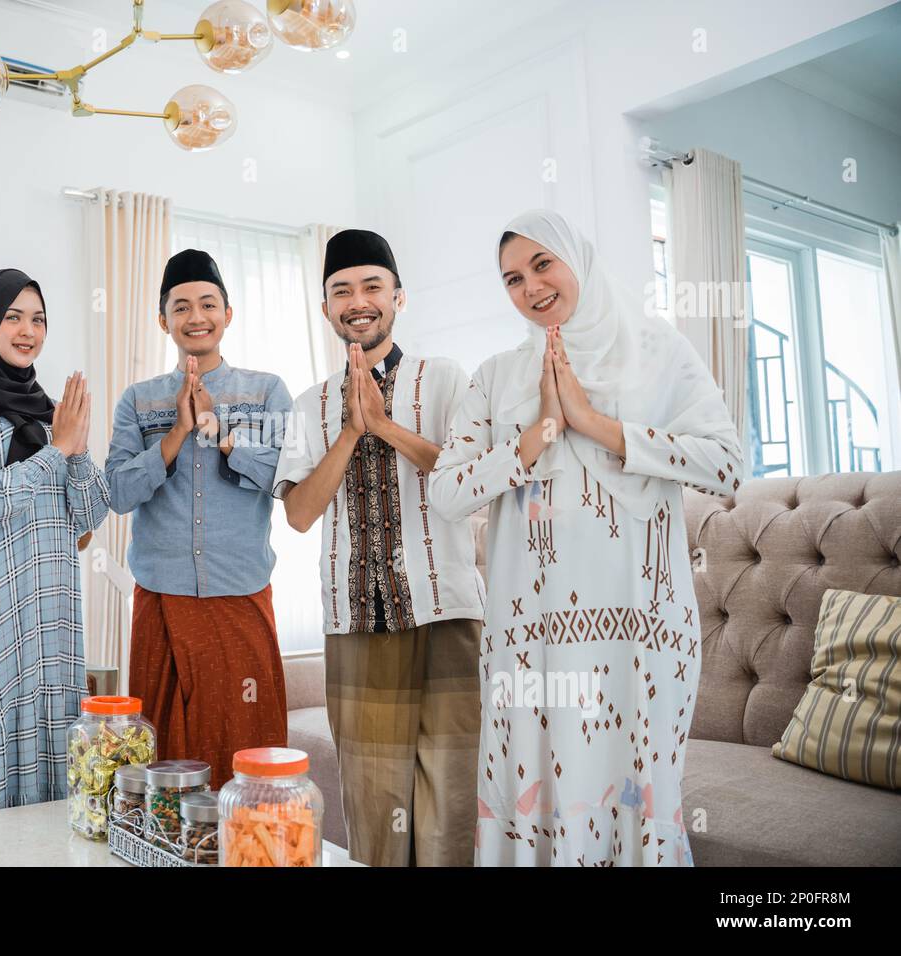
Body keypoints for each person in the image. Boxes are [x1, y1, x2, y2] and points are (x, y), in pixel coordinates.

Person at [428, 209, 743, 866]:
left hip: (639, 629)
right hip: (532, 632)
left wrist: (593, 422)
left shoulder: (659, 351)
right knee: (535, 797)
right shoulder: (496, 376)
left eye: (543, 264)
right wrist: (538, 433)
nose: (531, 287)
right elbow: (447, 493)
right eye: (512, 278)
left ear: (578, 261)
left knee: (635, 799)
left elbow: (726, 464)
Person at [272, 229, 485, 866]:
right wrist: (349, 434)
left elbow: (469, 480)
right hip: (355, 624)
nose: (357, 300)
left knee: (450, 802)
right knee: (373, 813)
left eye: (372, 287)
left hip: (446, 614)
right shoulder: (309, 405)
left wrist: (387, 427)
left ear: (398, 297)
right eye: (341, 290)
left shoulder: (443, 379)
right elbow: (300, 514)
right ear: (325, 308)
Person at [0, 267, 110, 816]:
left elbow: (90, 511)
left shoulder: (49, 413)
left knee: (55, 737)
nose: (28, 330)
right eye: (12, 317)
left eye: (38, 319)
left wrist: (73, 447)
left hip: (52, 613)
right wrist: (57, 450)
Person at [106, 249, 290, 789]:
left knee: (247, 751)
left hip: (240, 590)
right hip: (162, 595)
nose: (196, 316)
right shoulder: (138, 400)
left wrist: (217, 431)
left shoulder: (266, 390)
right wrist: (175, 436)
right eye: (181, 306)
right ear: (164, 321)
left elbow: (288, 476)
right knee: (158, 753)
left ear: (228, 314)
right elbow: (116, 491)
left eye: (208, 304)